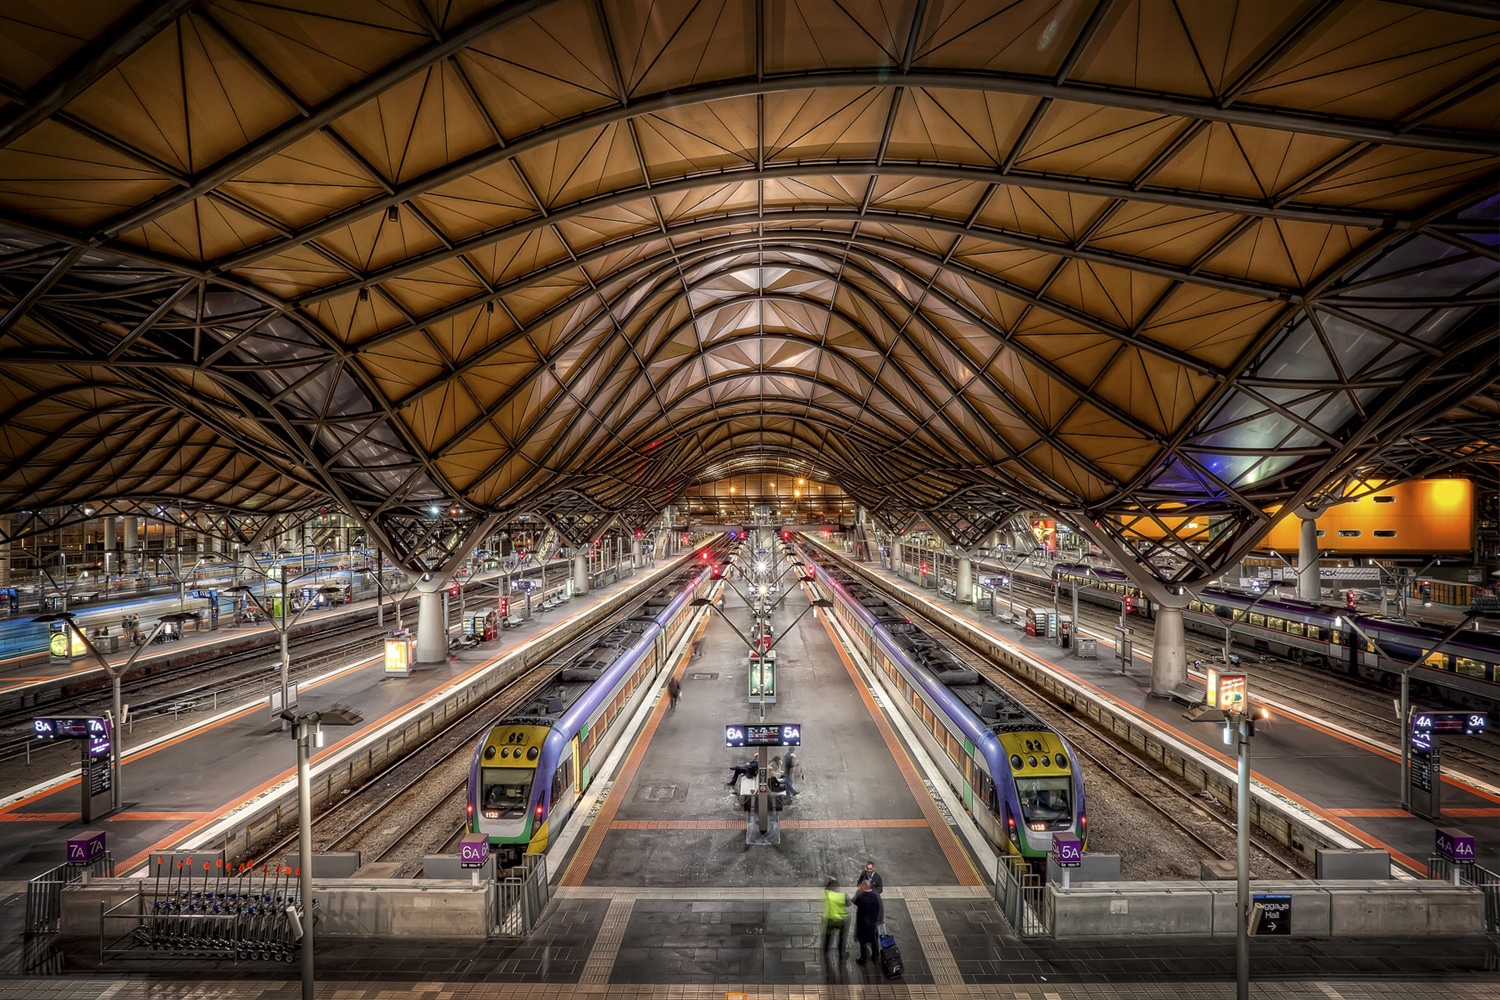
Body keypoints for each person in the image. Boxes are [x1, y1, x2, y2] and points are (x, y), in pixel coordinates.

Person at [852, 879, 882, 965]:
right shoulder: (876, 895)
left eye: (861, 885)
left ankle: (863, 959)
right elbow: (880, 907)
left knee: (863, 941)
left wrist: (858, 891)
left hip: (863, 924)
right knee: (874, 941)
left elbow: (853, 901)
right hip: (873, 923)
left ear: (864, 887)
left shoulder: (861, 897)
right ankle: (875, 957)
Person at [821, 876, 848, 964]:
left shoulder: (829, 895)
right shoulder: (843, 896)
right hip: (841, 921)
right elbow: (849, 904)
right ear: (838, 888)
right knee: (841, 939)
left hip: (831, 920)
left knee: (828, 937)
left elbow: (826, 889)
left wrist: (831, 881)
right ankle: (841, 955)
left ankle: (825, 952)